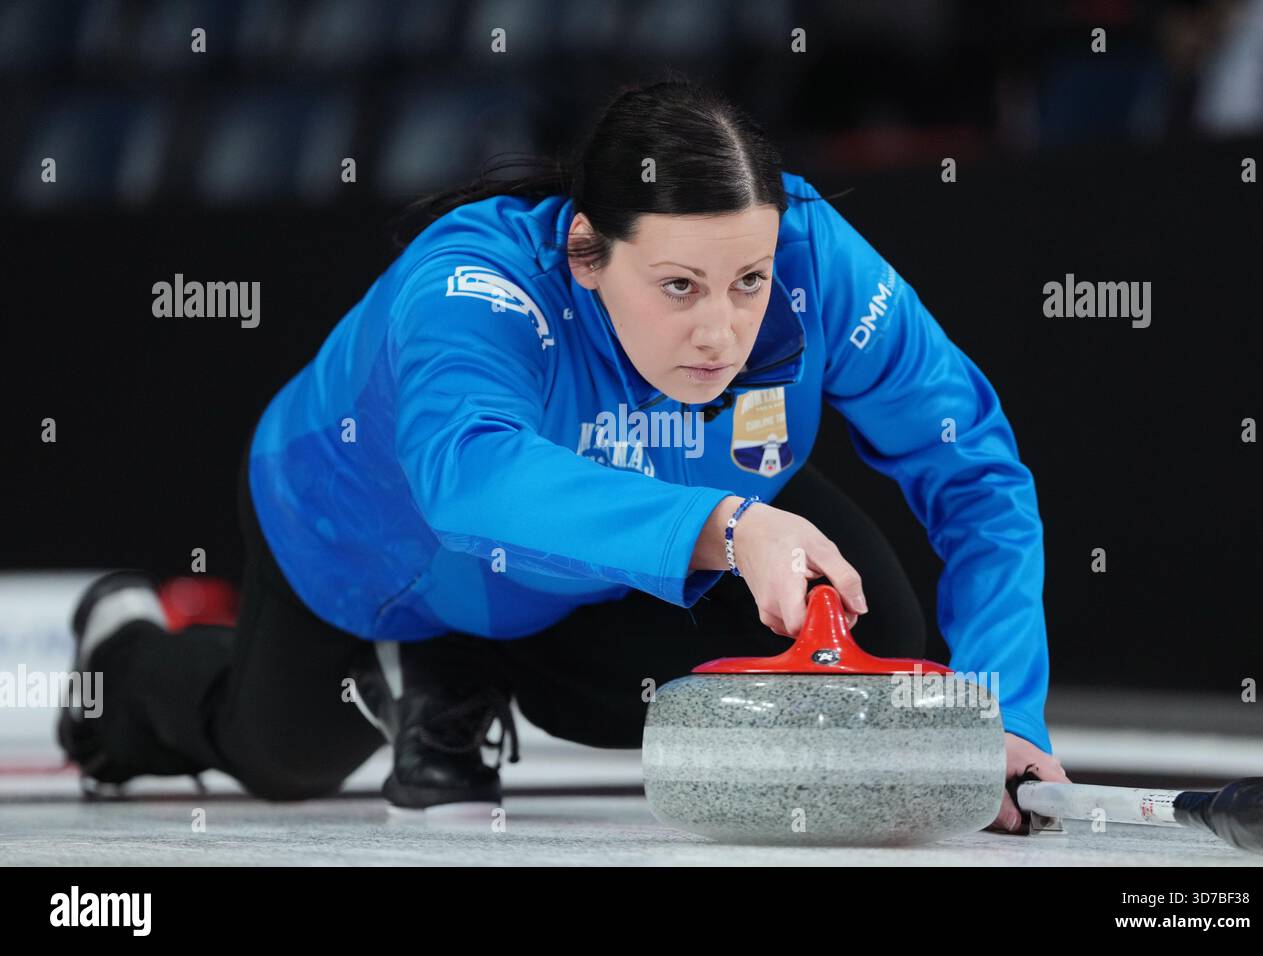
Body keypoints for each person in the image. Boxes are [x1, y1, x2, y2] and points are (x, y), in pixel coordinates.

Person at [58, 80, 1068, 833]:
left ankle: (482, 668)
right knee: (279, 751)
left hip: (629, 526)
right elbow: (468, 474)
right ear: (585, 253)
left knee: (881, 653)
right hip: (371, 536)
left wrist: (1005, 710)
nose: (722, 332)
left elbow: (972, 469)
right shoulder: (474, 284)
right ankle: (127, 654)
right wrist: (726, 524)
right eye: (679, 286)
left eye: (748, 281)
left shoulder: (814, 260)